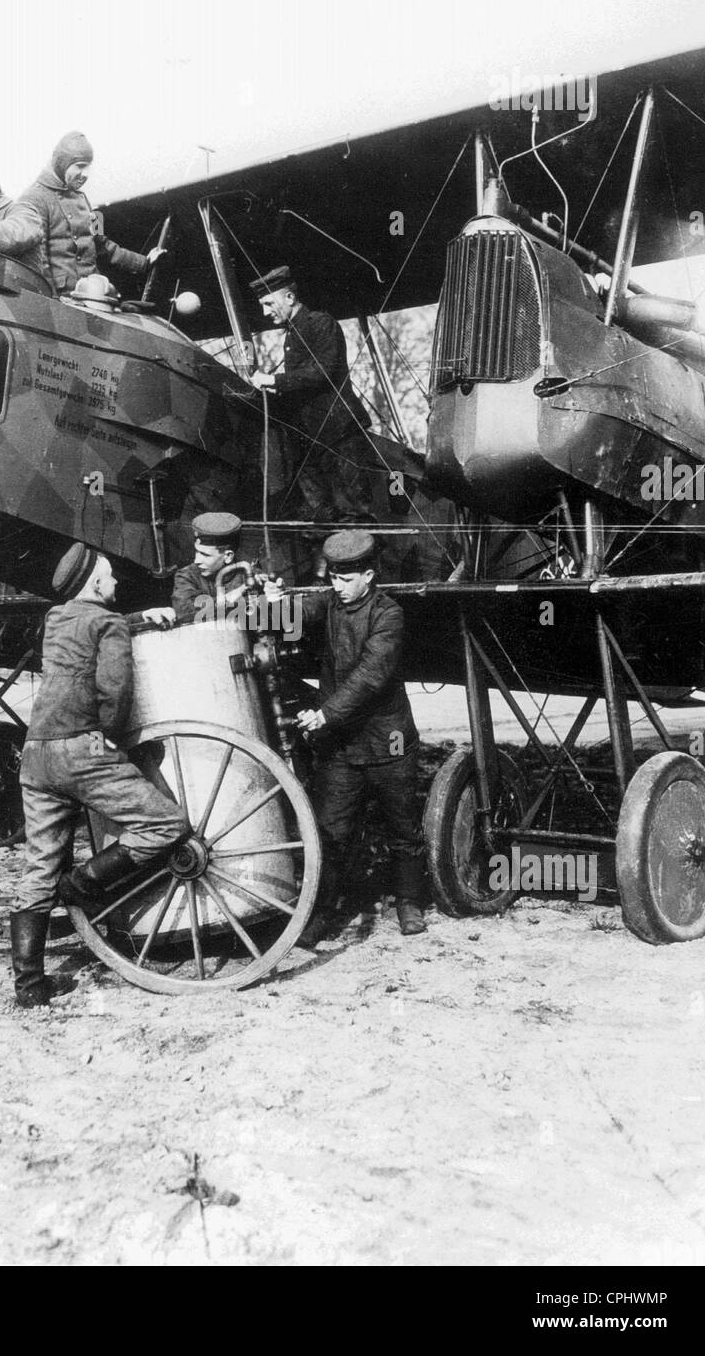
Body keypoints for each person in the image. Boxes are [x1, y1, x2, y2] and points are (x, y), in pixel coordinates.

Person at [13, 543, 187, 1008]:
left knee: (39, 865)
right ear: (94, 585)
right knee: (166, 825)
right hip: (81, 749)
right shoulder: (107, 623)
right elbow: (115, 688)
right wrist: (111, 734)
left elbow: (83, 639)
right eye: (110, 578)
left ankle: (29, 984)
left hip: (35, 753)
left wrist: (141, 618)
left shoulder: (57, 618)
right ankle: (84, 884)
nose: (116, 584)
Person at [271, 529, 427, 947]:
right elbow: (297, 613)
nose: (335, 585)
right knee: (330, 832)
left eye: (344, 578)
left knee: (403, 827)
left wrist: (325, 713)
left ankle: (409, 902)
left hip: (388, 741)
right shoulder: (331, 604)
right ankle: (322, 913)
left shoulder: (388, 615)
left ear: (369, 576)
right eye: (333, 577)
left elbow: (371, 677)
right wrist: (274, 604)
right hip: (341, 746)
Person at [0, 131, 164, 296]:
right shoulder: (33, 199)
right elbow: (22, 243)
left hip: (95, 296)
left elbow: (102, 244)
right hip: (60, 302)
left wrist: (143, 261)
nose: (85, 174)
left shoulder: (84, 200)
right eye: (80, 166)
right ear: (62, 162)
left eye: (88, 167)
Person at [249, 265, 374, 522]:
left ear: (290, 298)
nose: (264, 312)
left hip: (339, 434)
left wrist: (274, 379)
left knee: (353, 513)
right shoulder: (292, 335)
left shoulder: (320, 322)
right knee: (324, 516)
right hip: (313, 437)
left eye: (269, 303)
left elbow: (322, 371)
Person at [171, 512, 251, 623]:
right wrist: (228, 599)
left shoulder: (250, 574)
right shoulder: (186, 576)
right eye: (197, 552)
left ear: (228, 556)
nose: (196, 561)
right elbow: (185, 612)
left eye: (205, 555)